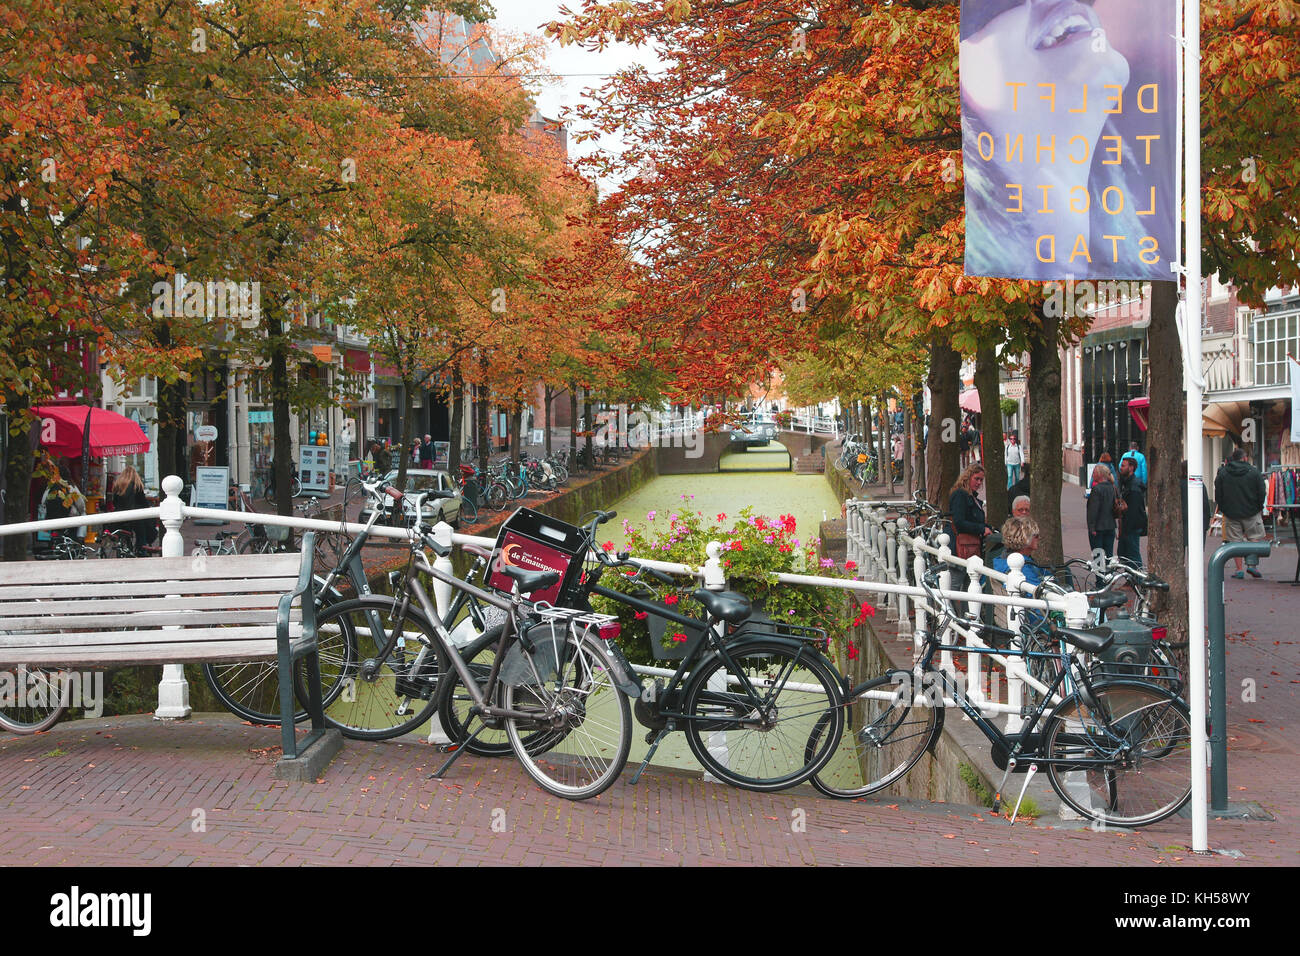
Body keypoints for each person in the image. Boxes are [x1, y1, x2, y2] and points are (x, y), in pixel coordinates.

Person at [1214, 447, 1267, 579]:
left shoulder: (1223, 473)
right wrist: (1259, 506)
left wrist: (1223, 507)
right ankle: (1252, 565)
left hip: (1231, 512)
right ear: (1244, 458)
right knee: (1254, 537)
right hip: (1252, 511)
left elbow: (1218, 493)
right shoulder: (1254, 472)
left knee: (1234, 541)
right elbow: (1262, 491)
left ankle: (1239, 570)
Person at [39, 461, 87, 541]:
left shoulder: (50, 488)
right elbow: (81, 506)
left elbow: (43, 502)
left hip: (53, 520)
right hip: (70, 521)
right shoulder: (71, 488)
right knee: (72, 542)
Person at [111, 466, 155, 549]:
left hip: (120, 516)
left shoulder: (117, 486)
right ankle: (141, 548)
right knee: (141, 533)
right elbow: (143, 502)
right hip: (135, 516)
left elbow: (115, 502)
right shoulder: (137, 485)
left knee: (124, 531)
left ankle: (126, 545)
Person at [1117, 455, 1148, 566]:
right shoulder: (1126, 483)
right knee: (1125, 554)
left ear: (1131, 468)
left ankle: (1137, 580)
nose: (1121, 467)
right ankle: (1131, 579)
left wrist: (1127, 527)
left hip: (1132, 526)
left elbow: (1133, 510)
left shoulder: (1133, 486)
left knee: (1133, 554)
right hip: (1128, 525)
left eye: (1123, 465)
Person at [1086, 464, 1118, 557]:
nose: (1092, 475)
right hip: (1110, 526)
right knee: (1108, 554)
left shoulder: (1096, 489)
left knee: (1098, 556)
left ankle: (1100, 571)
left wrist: (1091, 527)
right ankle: (1108, 571)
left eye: (1094, 473)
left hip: (1098, 528)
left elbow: (1093, 510)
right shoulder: (1113, 488)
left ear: (1100, 474)